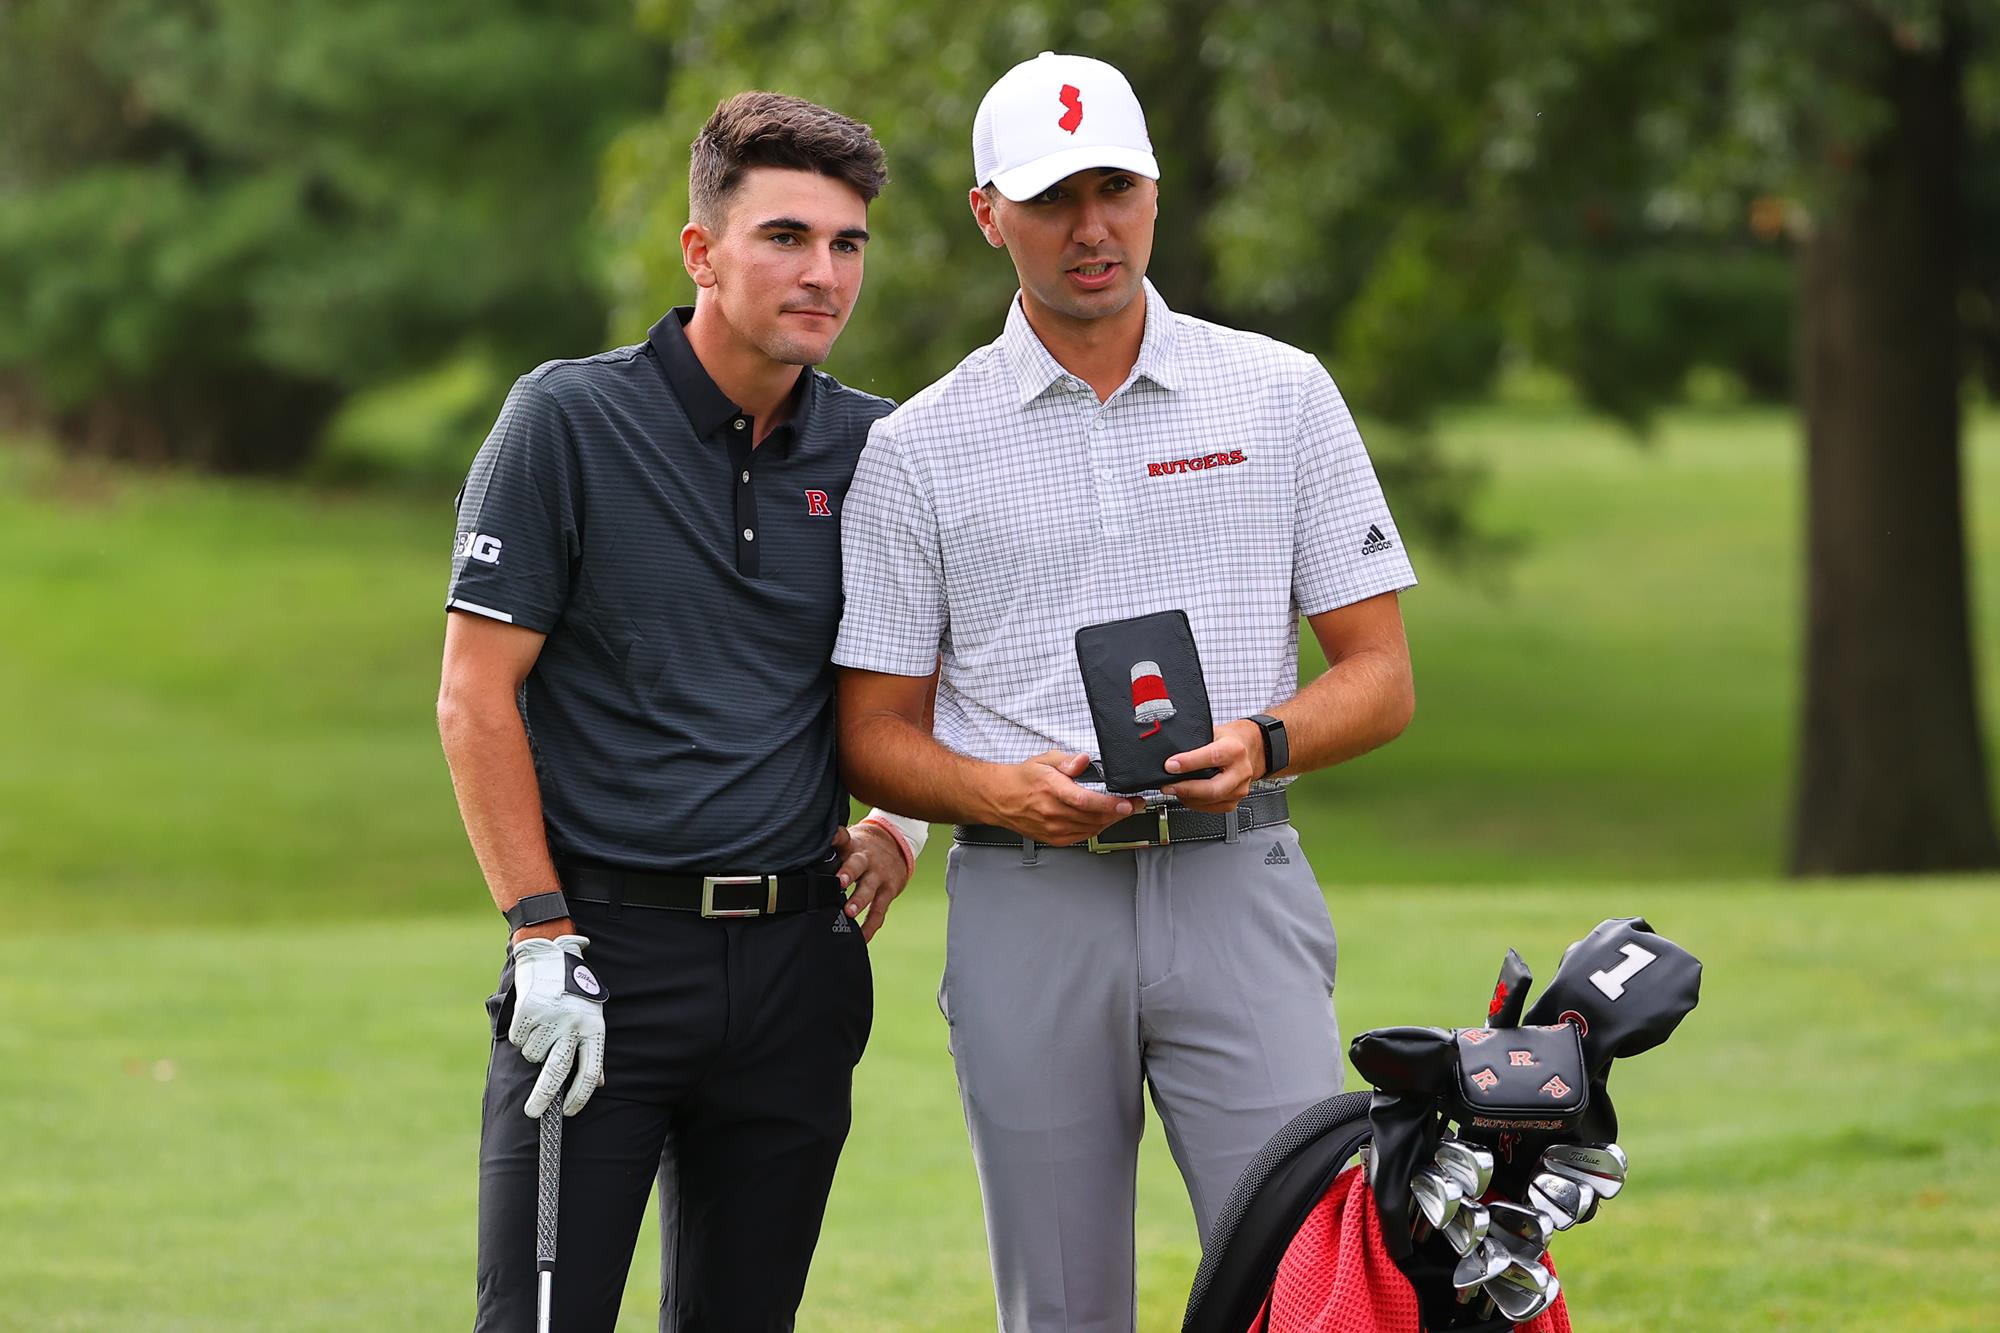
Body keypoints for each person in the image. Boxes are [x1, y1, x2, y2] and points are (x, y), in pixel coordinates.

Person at [832, 52, 1418, 1333]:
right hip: (1027, 899)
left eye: (1116, 187)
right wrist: (996, 790)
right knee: (1061, 1307)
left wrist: (1262, 740)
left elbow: (1378, 678)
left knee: (1307, 1287)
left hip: (1235, 878)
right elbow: (871, 733)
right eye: (1051, 198)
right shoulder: (916, 446)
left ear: (1153, 192)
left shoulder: (1279, 392)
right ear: (990, 212)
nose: (1090, 227)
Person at [436, 92, 926, 1332]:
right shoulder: (566, 420)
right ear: (701, 251)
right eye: (786, 237)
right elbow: (474, 692)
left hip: (799, 967)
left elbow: (942, 670)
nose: (822, 272)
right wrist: (538, 932)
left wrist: (899, 825)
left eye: (847, 244)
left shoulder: (882, 448)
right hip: (602, 959)